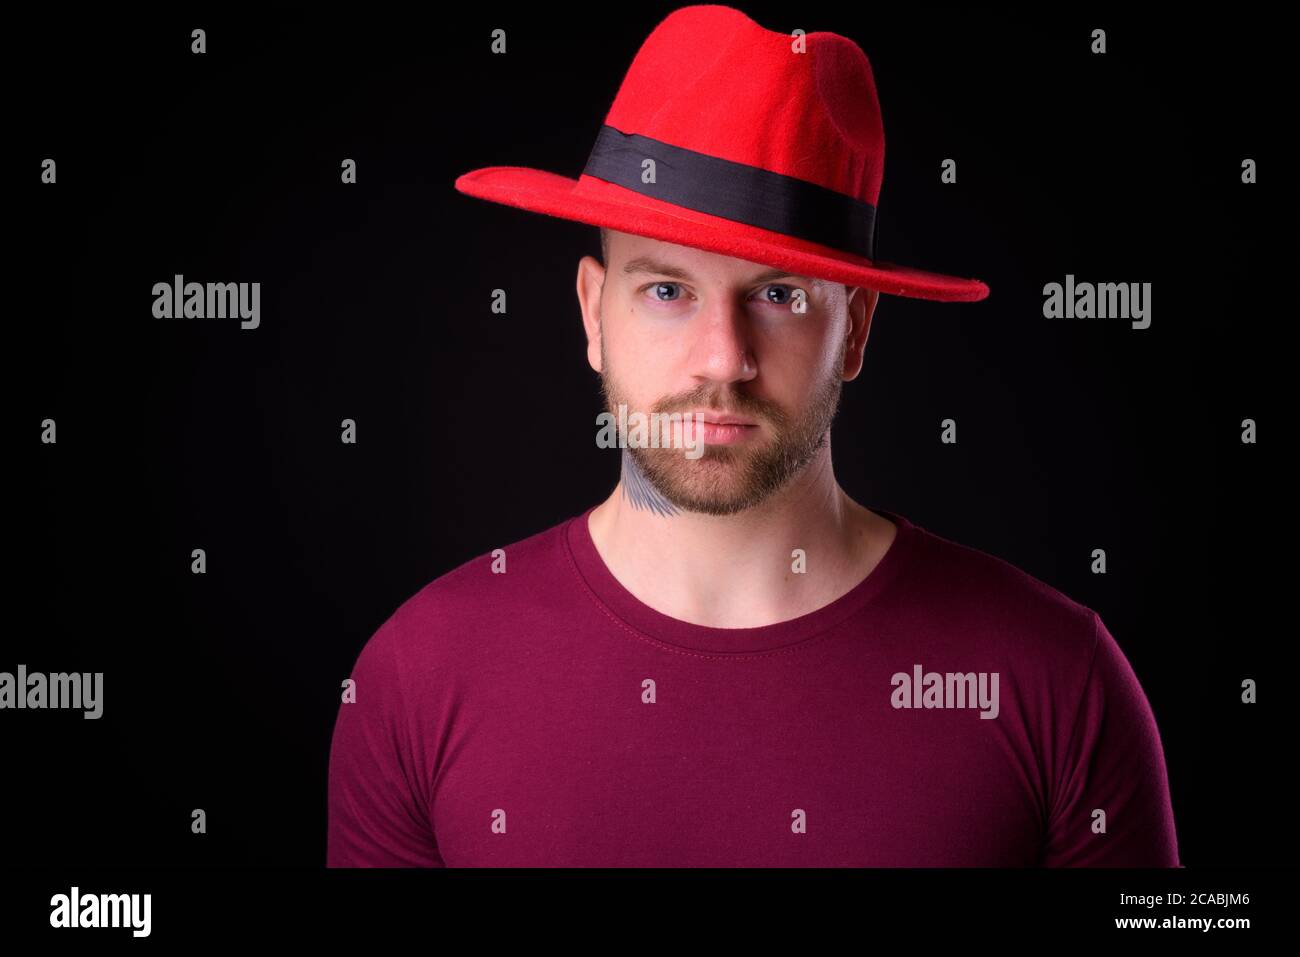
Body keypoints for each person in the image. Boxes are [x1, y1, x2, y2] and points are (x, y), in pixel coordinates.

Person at [327, 5, 1179, 867]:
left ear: (856, 332)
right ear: (593, 311)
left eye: (780, 295)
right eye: (667, 290)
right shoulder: (416, 677)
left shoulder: (1056, 681)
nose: (722, 359)